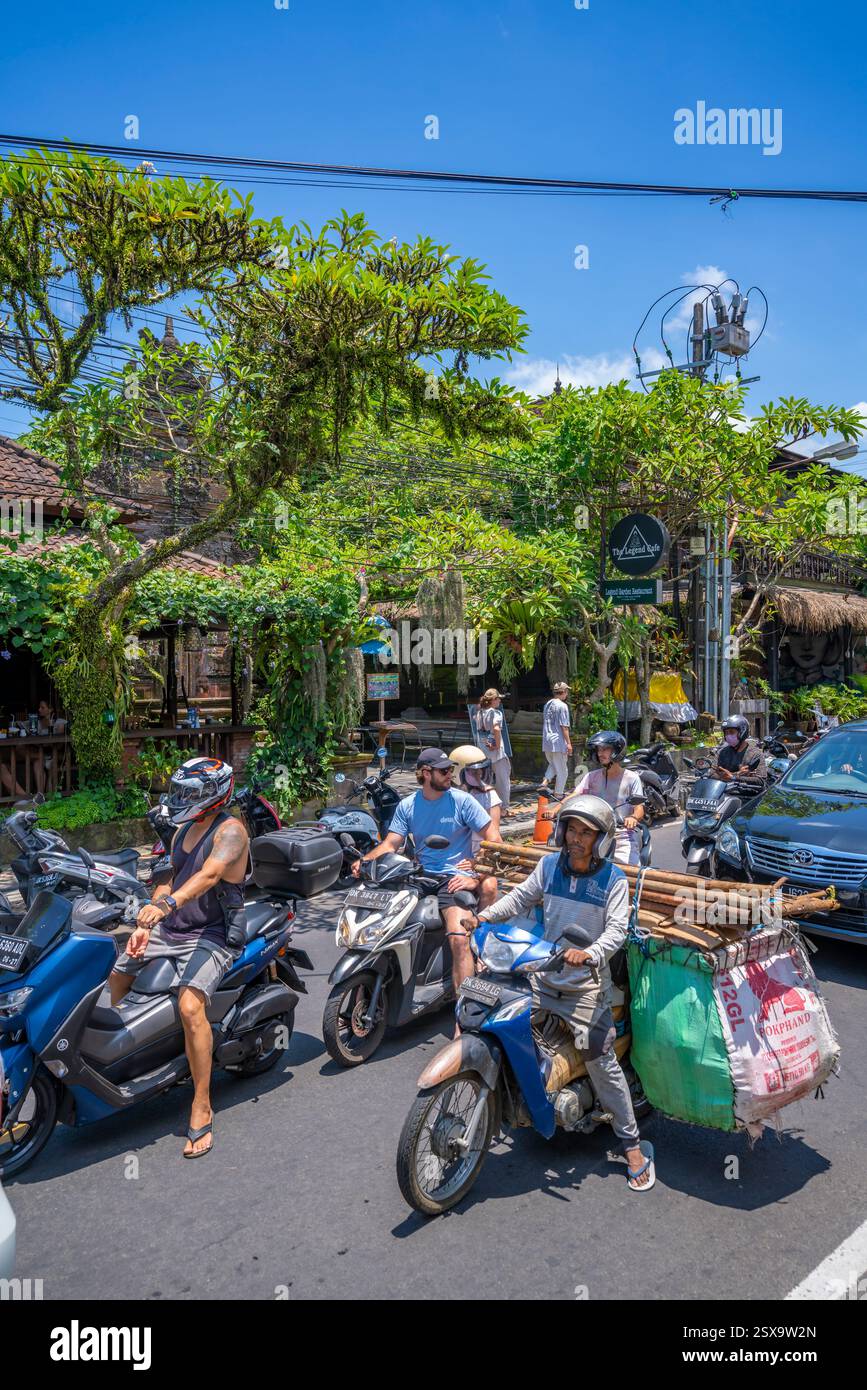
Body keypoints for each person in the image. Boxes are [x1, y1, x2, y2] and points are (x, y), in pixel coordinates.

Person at [467, 793, 655, 1192]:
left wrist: (589, 954)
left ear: (601, 839)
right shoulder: (550, 866)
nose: (576, 838)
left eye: (586, 832)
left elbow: (617, 931)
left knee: (599, 1058)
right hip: (542, 975)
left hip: (585, 988)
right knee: (497, 1020)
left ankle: (632, 1144)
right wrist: (482, 916)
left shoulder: (613, 881)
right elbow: (520, 898)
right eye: (571, 828)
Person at [109, 757, 247, 1159]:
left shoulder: (232, 831)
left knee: (190, 1007)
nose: (180, 800)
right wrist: (145, 925)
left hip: (214, 934)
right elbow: (166, 878)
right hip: (171, 929)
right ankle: (122, 1058)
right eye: (179, 792)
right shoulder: (183, 829)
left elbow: (208, 876)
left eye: (188, 794)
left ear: (213, 794)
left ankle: (201, 1103)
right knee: (117, 976)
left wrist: (166, 906)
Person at [352, 747, 492, 1033]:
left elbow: (494, 839)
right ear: (426, 774)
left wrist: (475, 874)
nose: (449, 775)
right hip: (418, 876)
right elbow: (392, 843)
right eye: (444, 771)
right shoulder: (408, 805)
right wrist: (365, 860)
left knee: (459, 939)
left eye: (450, 770)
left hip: (453, 879)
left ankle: (464, 1020)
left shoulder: (463, 801)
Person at [448, 744, 504, 912]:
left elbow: (494, 841)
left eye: (481, 770)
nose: (479, 774)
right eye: (473, 772)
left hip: (479, 858)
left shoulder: (489, 795)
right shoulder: (446, 796)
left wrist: (476, 863)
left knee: (489, 887)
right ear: (458, 773)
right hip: (452, 857)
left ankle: (479, 927)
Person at [576, 730, 645, 866]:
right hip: (594, 831)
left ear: (617, 751)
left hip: (621, 834)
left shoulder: (632, 778)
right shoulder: (591, 777)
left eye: (605, 749)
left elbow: (639, 808)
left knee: (629, 871)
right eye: (598, 749)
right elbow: (575, 795)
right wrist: (557, 808)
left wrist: (633, 818)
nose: (600, 753)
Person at [711, 715, 767, 793]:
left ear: (742, 732)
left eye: (731, 732)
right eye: (726, 733)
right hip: (723, 794)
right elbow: (712, 774)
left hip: (745, 796)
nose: (728, 736)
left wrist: (733, 777)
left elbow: (760, 780)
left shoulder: (756, 754)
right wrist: (737, 774)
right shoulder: (722, 752)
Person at [477, 688, 511, 812]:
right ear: (494, 700)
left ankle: (485, 807)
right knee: (503, 780)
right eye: (498, 698)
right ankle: (503, 808)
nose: (500, 701)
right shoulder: (496, 713)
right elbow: (496, 729)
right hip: (496, 752)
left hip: (483, 750)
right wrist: (496, 745)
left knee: (486, 780)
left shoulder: (479, 713)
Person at [541, 682, 573, 795]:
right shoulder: (562, 706)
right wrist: (568, 743)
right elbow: (564, 726)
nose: (567, 694)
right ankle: (558, 793)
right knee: (563, 771)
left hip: (547, 740)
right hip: (558, 741)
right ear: (563, 692)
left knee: (554, 765)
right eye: (567, 691)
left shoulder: (547, 704)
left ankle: (545, 782)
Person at [34, 698, 68, 795]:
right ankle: (40, 795)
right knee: (37, 763)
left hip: (56, 753)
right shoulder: (38, 723)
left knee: (53, 764)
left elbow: (60, 742)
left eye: (42, 707)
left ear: (50, 709)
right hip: (43, 753)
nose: (39, 709)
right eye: (39, 707)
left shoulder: (59, 722)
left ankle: (51, 795)